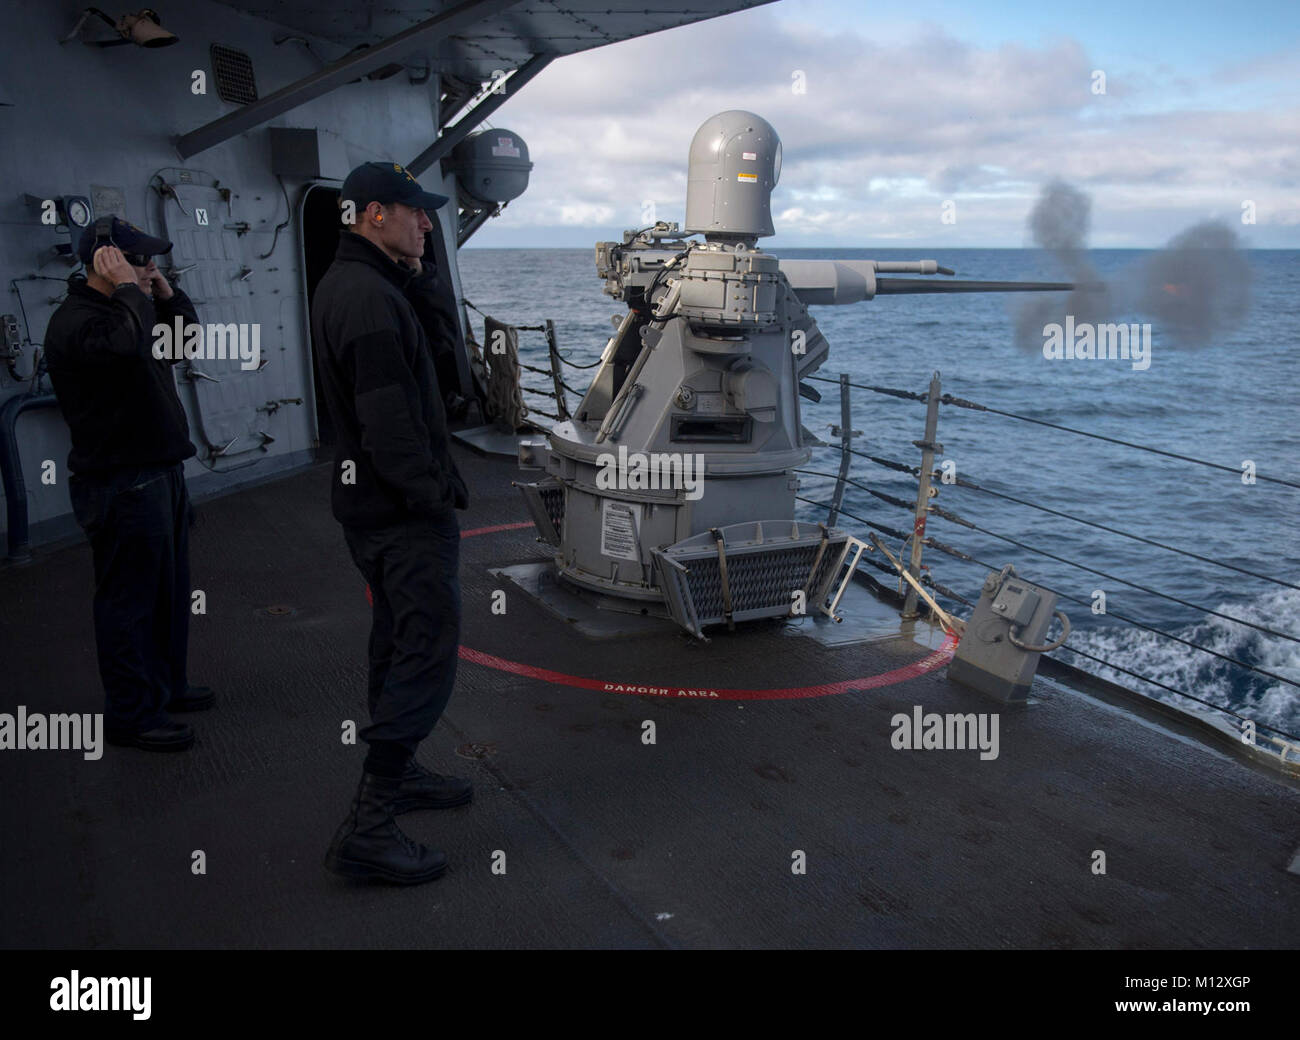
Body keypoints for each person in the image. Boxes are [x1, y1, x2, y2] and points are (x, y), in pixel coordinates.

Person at [311, 162, 471, 885]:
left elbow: (444, 372)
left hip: (379, 511)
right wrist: (431, 498)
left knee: (395, 645)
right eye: (416, 213)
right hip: (401, 516)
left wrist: (423, 276)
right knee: (425, 655)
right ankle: (370, 827)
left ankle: (399, 776)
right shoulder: (367, 300)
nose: (428, 223)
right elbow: (388, 424)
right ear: (375, 213)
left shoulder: (372, 286)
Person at [43, 216, 215, 753]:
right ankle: (132, 714)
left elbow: (177, 345)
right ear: (106, 262)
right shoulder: (79, 321)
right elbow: (128, 344)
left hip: (160, 473)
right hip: (121, 483)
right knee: (128, 603)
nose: (149, 268)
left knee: (166, 594)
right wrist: (127, 289)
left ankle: (166, 686)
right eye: (139, 260)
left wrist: (170, 295)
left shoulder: (127, 309)